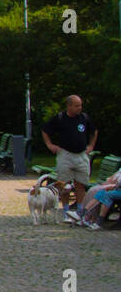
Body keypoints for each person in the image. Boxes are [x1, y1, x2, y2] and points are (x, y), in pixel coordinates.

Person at [41, 94, 98, 224]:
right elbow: (45, 130)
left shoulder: (84, 118)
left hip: (81, 155)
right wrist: (50, 145)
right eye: (77, 106)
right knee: (64, 185)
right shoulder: (60, 118)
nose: (79, 108)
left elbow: (94, 131)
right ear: (69, 106)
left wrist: (91, 146)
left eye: (81, 105)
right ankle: (66, 212)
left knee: (80, 185)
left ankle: (79, 213)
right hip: (65, 154)